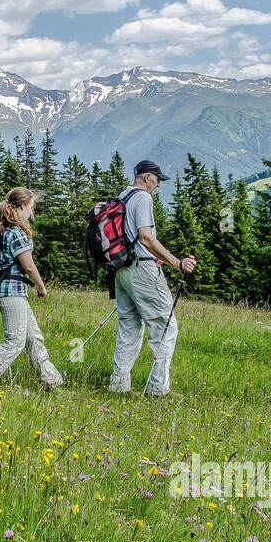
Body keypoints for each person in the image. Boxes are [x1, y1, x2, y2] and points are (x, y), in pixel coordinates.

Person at [109, 160, 196, 396]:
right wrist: (176, 262)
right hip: (142, 270)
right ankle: (158, 389)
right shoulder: (143, 197)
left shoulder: (122, 196)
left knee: (129, 327)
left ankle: (118, 385)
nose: (157, 186)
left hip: (121, 269)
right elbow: (145, 237)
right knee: (166, 327)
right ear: (147, 177)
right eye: (157, 180)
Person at [0, 187, 64, 390]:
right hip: (12, 292)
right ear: (22, 206)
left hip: (8, 290)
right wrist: (41, 286)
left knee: (33, 337)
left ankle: (50, 379)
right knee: (15, 341)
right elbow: (28, 265)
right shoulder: (16, 233)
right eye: (31, 207)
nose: (31, 211)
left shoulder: (3, 230)